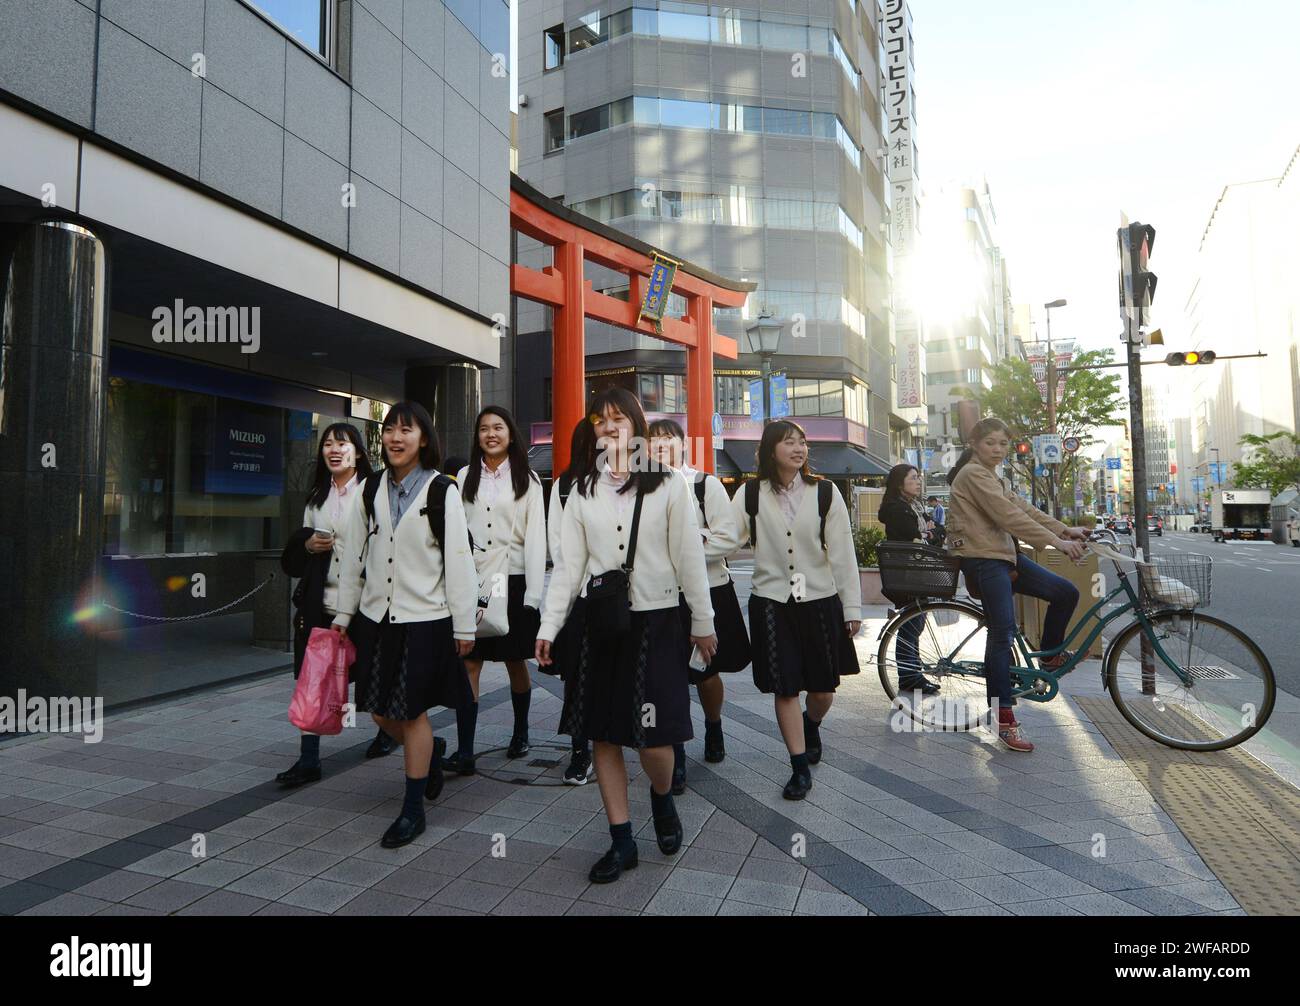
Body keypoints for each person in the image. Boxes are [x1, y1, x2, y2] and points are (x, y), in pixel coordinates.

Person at [536, 388, 717, 884]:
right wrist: (549, 626)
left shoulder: (669, 484)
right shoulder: (582, 488)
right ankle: (621, 840)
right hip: (601, 625)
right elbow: (569, 566)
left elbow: (689, 557)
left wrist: (703, 622)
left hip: (657, 622)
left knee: (655, 739)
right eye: (601, 420)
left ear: (637, 424)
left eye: (619, 418)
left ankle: (661, 797)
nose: (609, 426)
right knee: (604, 734)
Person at [332, 401, 478, 848]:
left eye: (406, 430)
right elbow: (352, 556)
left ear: (424, 438)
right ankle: (430, 753)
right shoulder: (370, 488)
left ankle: (413, 809)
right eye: (390, 429)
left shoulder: (442, 491)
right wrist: (343, 614)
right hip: (376, 619)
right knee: (378, 710)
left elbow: (459, 562)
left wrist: (464, 626)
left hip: (425, 620)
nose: (396, 438)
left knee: (412, 712)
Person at [729, 421, 861, 801]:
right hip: (771, 603)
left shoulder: (825, 493)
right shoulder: (749, 494)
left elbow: (843, 553)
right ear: (770, 451)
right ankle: (799, 767)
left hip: (819, 600)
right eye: (789, 442)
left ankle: (811, 723)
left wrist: (851, 607)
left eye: (802, 442)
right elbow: (728, 537)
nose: (799, 448)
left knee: (823, 690)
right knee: (784, 687)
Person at [946, 417, 1088, 754]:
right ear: (974, 445)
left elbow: (1023, 509)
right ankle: (1003, 718)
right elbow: (1007, 516)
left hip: (1005, 556)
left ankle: (1049, 659)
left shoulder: (993, 475)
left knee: (1065, 592)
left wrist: (1063, 529)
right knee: (1002, 633)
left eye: (1003, 443)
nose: (998, 449)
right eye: (990, 443)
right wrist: (1056, 542)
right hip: (983, 559)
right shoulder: (973, 474)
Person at [276, 423, 382, 787]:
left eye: (343, 443)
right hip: (320, 602)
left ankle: (393, 732)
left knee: (371, 676)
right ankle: (309, 759)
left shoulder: (372, 492)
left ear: (358, 452)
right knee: (314, 678)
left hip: (365, 604)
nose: (334, 449)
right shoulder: (316, 497)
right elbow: (303, 541)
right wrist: (308, 546)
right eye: (328, 444)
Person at [647, 418, 750, 793]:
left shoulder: (706, 485)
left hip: (709, 589)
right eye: (654, 440)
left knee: (706, 672)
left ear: (683, 444)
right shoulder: (642, 488)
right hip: (660, 595)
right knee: (668, 677)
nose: (661, 444)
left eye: (668, 438)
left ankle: (713, 725)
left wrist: (684, 549)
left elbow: (729, 538)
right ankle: (675, 753)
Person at [447, 407, 546, 772]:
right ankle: (465, 750)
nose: (491, 434)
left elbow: (536, 538)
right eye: (484, 428)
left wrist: (533, 595)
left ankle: (521, 731)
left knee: (513, 659)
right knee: (469, 659)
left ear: (510, 434)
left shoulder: (528, 479)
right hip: (474, 579)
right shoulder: (464, 476)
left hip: (512, 579)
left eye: (498, 427)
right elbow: (456, 531)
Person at [543, 419, 598, 785]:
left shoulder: (630, 481)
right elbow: (558, 544)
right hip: (580, 597)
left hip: (624, 596)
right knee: (577, 676)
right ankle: (581, 750)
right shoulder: (564, 486)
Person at [879, 464, 941, 696]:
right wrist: (928, 534)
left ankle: (912, 673)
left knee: (915, 622)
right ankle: (908, 676)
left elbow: (938, 531)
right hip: (907, 572)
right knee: (911, 624)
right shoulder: (898, 509)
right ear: (899, 483)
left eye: (918, 477)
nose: (918, 481)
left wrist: (930, 533)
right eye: (913, 478)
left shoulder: (914, 506)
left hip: (916, 570)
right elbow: (917, 538)